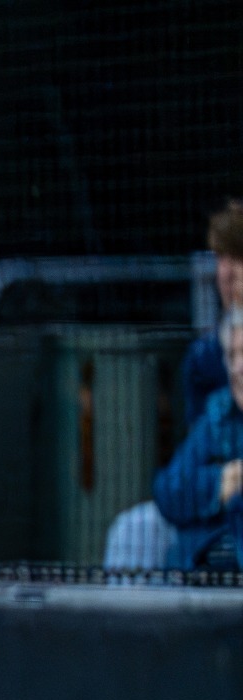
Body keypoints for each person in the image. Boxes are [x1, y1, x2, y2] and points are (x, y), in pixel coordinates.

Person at [154, 309, 243, 570]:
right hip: (211, 562)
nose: (238, 367)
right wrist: (224, 480)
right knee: (130, 529)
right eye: (232, 355)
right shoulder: (219, 414)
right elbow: (168, 489)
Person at [179, 202, 243, 425]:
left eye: (237, 258)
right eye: (220, 258)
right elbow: (195, 450)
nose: (225, 273)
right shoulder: (203, 359)